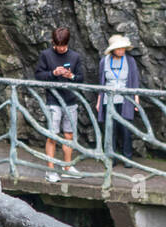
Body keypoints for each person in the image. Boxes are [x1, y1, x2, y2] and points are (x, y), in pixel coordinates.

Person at [34, 27, 85, 180]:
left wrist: (71, 76)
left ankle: (67, 166)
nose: (61, 48)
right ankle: (50, 170)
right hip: (53, 100)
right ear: (53, 42)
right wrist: (53, 73)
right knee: (52, 135)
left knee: (69, 135)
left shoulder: (75, 56)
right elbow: (38, 75)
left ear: (67, 43)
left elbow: (81, 78)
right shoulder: (46, 55)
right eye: (58, 45)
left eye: (63, 45)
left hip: (70, 100)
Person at [95, 34, 141, 162]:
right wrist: (99, 101)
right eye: (118, 48)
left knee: (126, 129)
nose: (121, 51)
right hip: (108, 99)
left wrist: (136, 99)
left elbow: (135, 80)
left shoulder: (130, 61)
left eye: (123, 48)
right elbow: (101, 82)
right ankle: (111, 158)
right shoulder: (104, 61)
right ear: (113, 49)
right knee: (111, 129)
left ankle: (128, 158)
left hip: (125, 99)